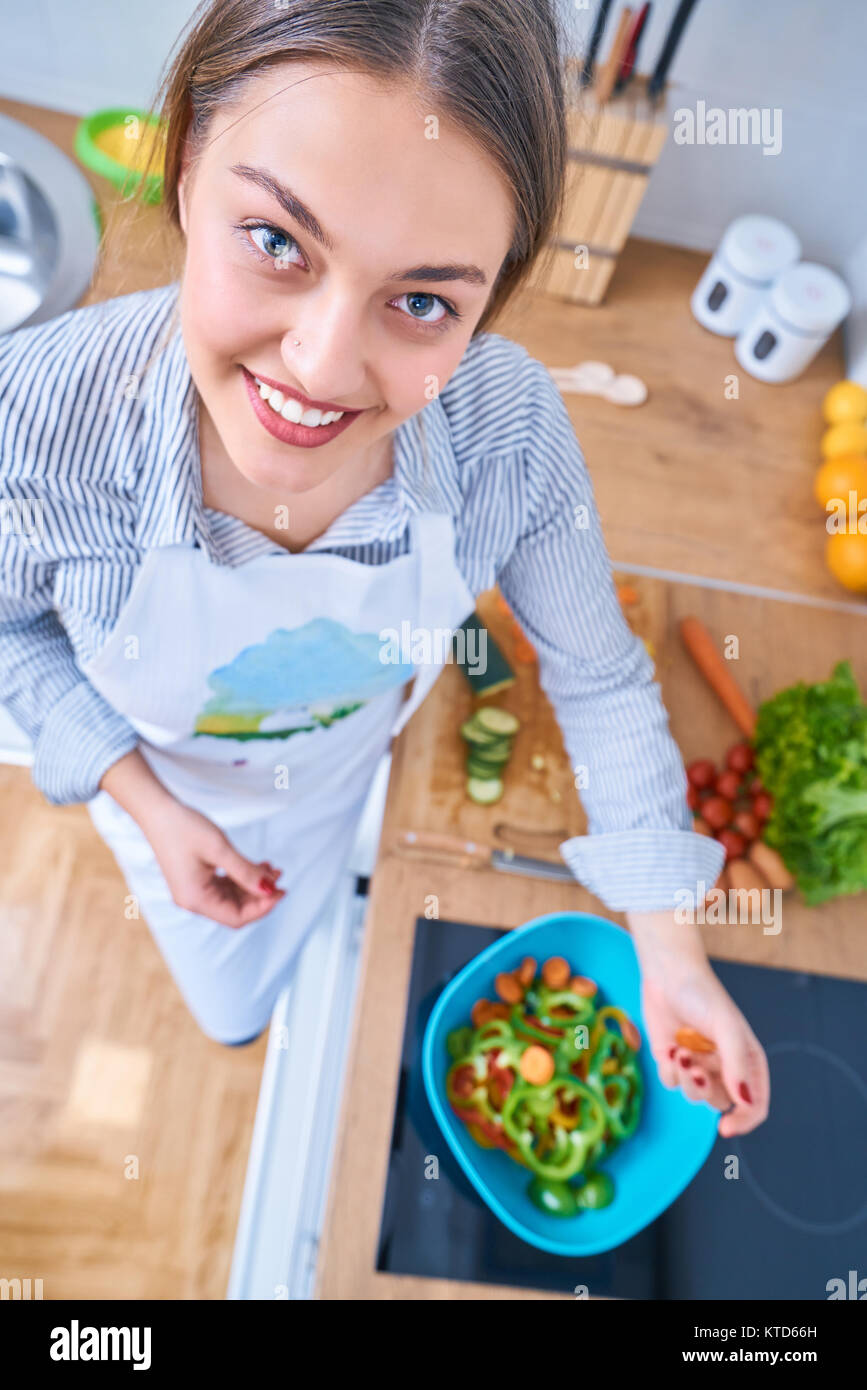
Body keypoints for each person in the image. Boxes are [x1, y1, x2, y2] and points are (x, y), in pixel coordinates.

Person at [0, 0, 767, 1134]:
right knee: (229, 1002)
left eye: (422, 302)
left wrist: (668, 946)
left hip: (348, 772)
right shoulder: (40, 420)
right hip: (152, 787)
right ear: (183, 163)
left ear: (486, 309)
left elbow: (598, 677)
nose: (319, 365)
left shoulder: (510, 432)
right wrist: (148, 802)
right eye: (275, 241)